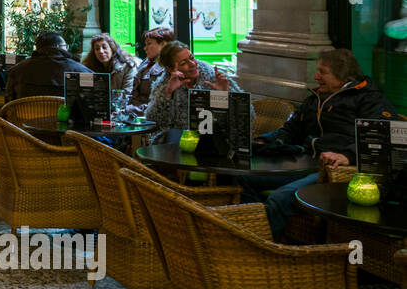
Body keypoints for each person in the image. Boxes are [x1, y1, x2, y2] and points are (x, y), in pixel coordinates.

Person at [247, 49, 401, 239]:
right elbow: (291, 129)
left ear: (342, 74)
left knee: (279, 198)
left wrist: (347, 155)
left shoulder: (368, 98)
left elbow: (383, 132)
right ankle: (263, 236)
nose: (315, 76)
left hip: (334, 172)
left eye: (322, 71)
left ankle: (266, 252)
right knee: (243, 178)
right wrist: (266, 140)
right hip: (306, 162)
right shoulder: (316, 98)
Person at [145, 40, 252, 142]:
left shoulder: (212, 76)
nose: (192, 64)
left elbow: (247, 116)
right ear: (170, 69)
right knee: (175, 134)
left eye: (192, 58)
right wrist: (168, 94)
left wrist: (226, 94)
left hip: (216, 138)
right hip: (179, 140)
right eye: (183, 63)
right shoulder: (164, 84)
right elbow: (154, 121)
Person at [4, 31, 89, 100]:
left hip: (23, 119)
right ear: (58, 47)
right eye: (65, 46)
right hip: (63, 120)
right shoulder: (79, 70)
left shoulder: (17, 70)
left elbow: (9, 99)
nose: (67, 49)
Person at [129, 27, 175, 114]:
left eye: (149, 44)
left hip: (149, 114)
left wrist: (133, 109)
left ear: (163, 44)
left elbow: (161, 102)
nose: (145, 48)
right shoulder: (147, 62)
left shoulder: (169, 67)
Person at [82, 33, 138, 102]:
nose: (101, 51)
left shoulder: (127, 66)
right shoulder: (89, 67)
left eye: (104, 47)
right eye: (97, 49)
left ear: (112, 48)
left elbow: (127, 94)